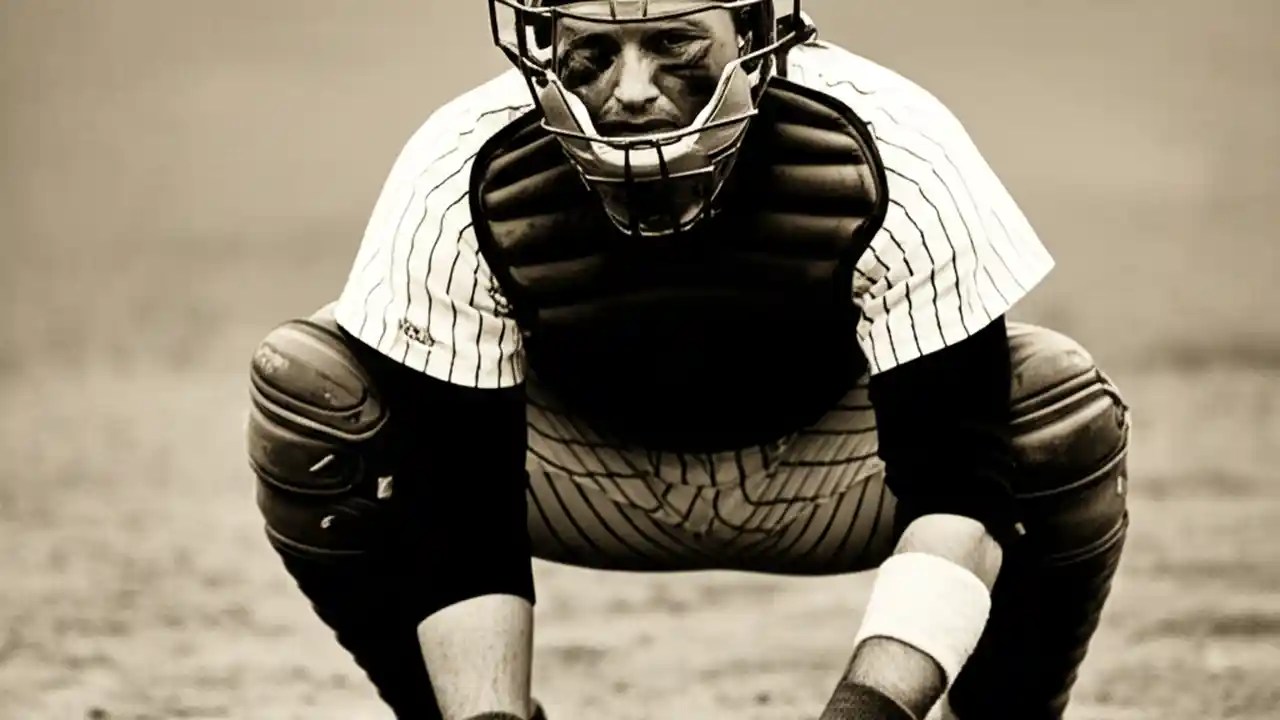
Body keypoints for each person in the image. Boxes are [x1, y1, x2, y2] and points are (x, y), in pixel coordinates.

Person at [244, 1, 1132, 718]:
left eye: (672, 43)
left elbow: (958, 499)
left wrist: (863, 716)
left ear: (751, 35)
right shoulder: (456, 169)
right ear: (542, 40)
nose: (630, 91)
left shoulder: (895, 146)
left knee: (1054, 412)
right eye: (592, 51)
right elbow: (457, 521)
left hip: (834, 478)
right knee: (315, 395)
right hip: (567, 481)